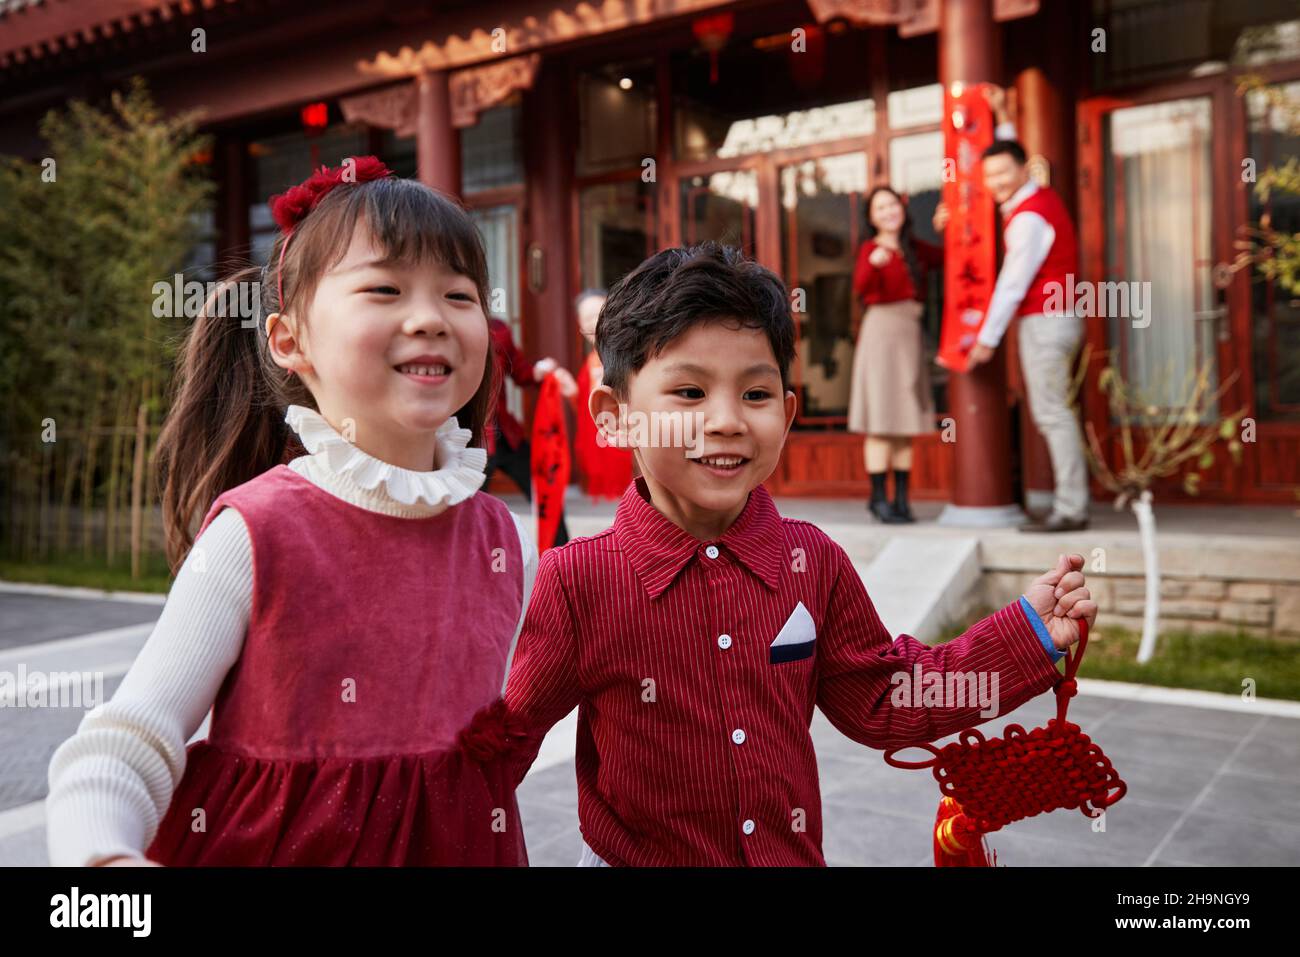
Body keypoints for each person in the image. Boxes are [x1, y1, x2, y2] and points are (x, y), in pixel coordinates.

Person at [498, 241, 1099, 866]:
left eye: (755, 395)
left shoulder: (811, 561)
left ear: (786, 415)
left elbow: (885, 698)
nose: (728, 421)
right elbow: (509, 740)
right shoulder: (580, 580)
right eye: (689, 393)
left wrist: (1027, 636)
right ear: (615, 417)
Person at [45, 158, 537, 866]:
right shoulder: (256, 532)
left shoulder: (504, 541)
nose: (430, 318)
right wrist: (103, 861)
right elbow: (130, 738)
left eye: (460, 295)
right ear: (289, 340)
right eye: (385, 288)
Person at [941, 86, 1089, 532]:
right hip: (1056, 318)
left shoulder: (1027, 217)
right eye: (992, 175)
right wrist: (1003, 116)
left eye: (1005, 173)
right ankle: (1068, 500)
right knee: (1055, 409)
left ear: (1024, 168)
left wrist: (986, 340)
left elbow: (1012, 284)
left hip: (1046, 320)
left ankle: (1071, 508)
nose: (998, 182)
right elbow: (1006, 150)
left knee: (1051, 413)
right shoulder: (1035, 197)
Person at [849, 186, 945, 523]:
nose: (888, 211)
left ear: (902, 208)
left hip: (910, 334)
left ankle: (902, 500)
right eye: (880, 207)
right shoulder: (870, 249)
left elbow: (947, 258)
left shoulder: (914, 248)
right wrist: (873, 265)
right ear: (872, 217)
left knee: (905, 421)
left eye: (892, 204)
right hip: (882, 335)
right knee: (880, 422)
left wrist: (947, 226)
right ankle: (878, 500)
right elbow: (859, 288)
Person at [485, 317, 577, 546]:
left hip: (505, 434)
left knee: (545, 489)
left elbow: (521, 372)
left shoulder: (498, 329)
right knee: (469, 509)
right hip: (468, 439)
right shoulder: (452, 329)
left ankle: (562, 557)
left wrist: (542, 371)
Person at [573, 288, 634, 500]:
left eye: (599, 314)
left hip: (622, 438)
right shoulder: (592, 357)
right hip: (600, 438)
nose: (594, 322)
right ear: (580, 325)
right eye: (587, 317)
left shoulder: (628, 353)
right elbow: (584, 401)